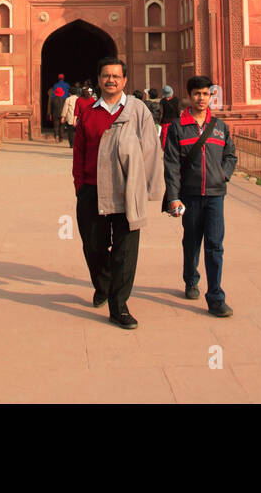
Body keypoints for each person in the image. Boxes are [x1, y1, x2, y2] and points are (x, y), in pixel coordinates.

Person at [71, 56, 164, 330]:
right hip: (91, 189)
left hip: (127, 189)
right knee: (93, 245)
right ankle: (103, 283)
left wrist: (149, 189)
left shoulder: (137, 111)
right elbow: (79, 151)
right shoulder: (88, 112)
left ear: (124, 80)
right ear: (98, 80)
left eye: (116, 76)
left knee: (125, 250)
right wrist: (79, 185)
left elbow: (150, 149)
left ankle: (119, 306)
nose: (110, 80)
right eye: (105, 76)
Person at [163, 75, 237, 318]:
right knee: (192, 241)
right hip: (191, 195)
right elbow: (172, 164)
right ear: (189, 96)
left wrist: (222, 176)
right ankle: (191, 279)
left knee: (215, 245)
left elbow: (231, 156)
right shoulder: (178, 127)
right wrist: (174, 196)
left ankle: (215, 296)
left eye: (206, 94)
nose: (201, 98)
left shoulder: (220, 126)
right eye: (197, 93)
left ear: (210, 96)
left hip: (215, 195)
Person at [48, 74, 69, 142]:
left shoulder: (55, 86)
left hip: (55, 113)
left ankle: (56, 135)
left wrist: (50, 114)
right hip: (62, 112)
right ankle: (61, 138)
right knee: (62, 126)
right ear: (63, 78)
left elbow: (51, 106)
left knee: (56, 125)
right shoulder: (67, 86)